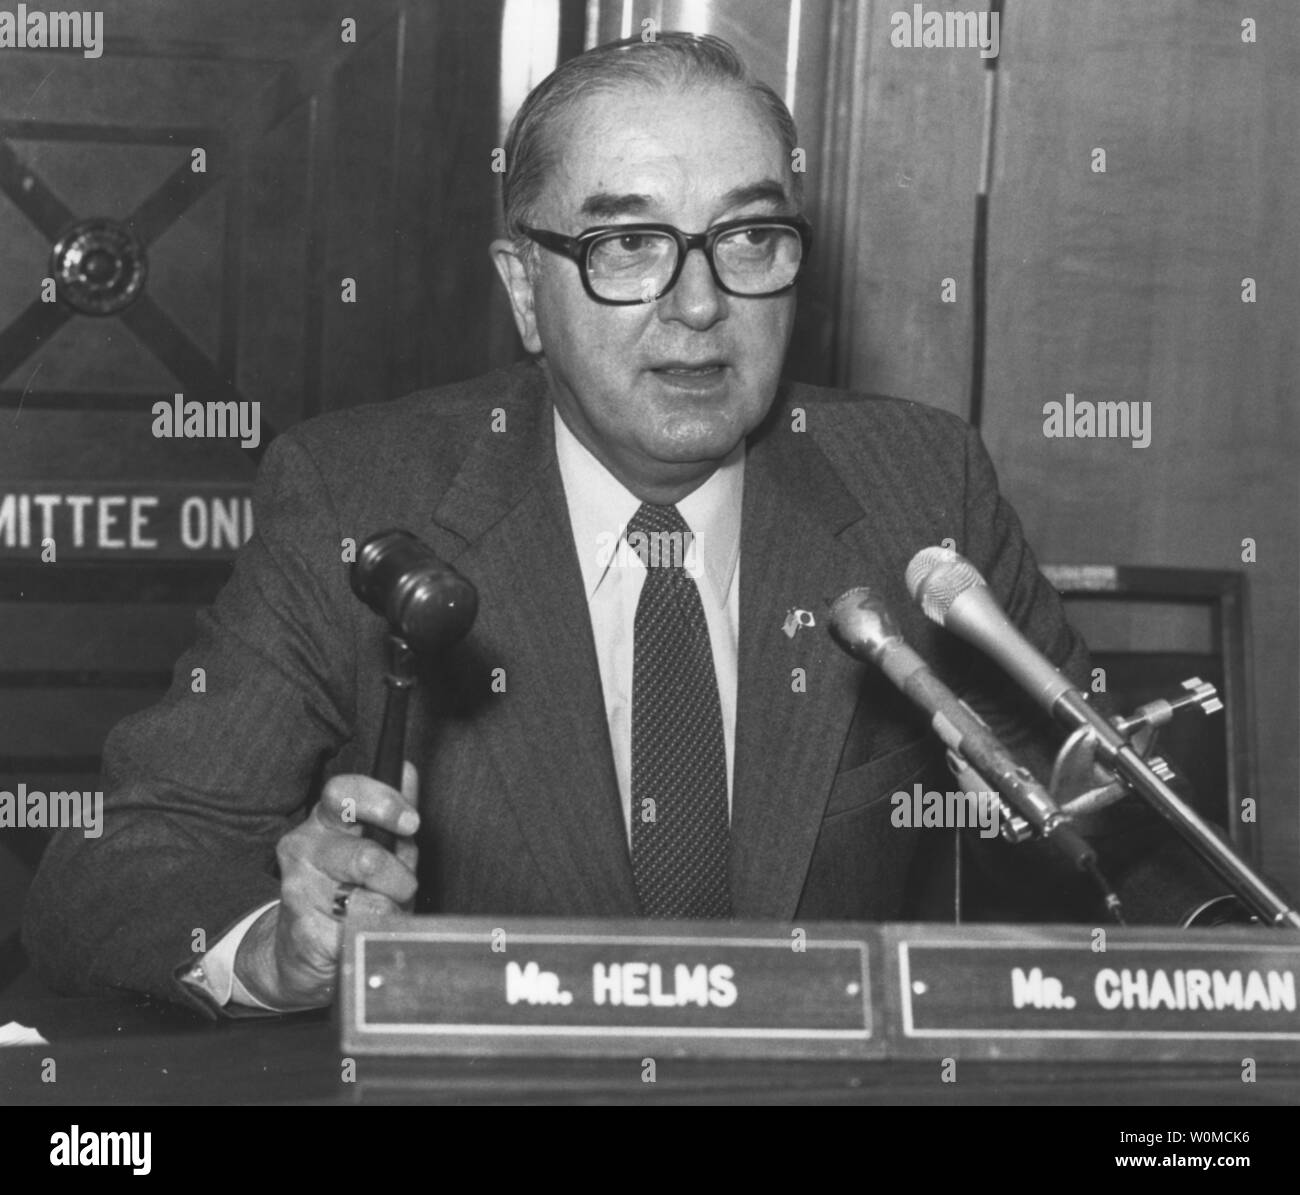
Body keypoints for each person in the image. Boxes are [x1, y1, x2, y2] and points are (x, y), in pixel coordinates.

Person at [23, 32, 1219, 1018]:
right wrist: (271, 951)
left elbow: (1120, 834)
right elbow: (113, 870)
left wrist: (1233, 978)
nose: (701, 305)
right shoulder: (356, 502)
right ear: (521, 290)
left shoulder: (916, 488)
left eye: (749, 238)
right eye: (626, 244)